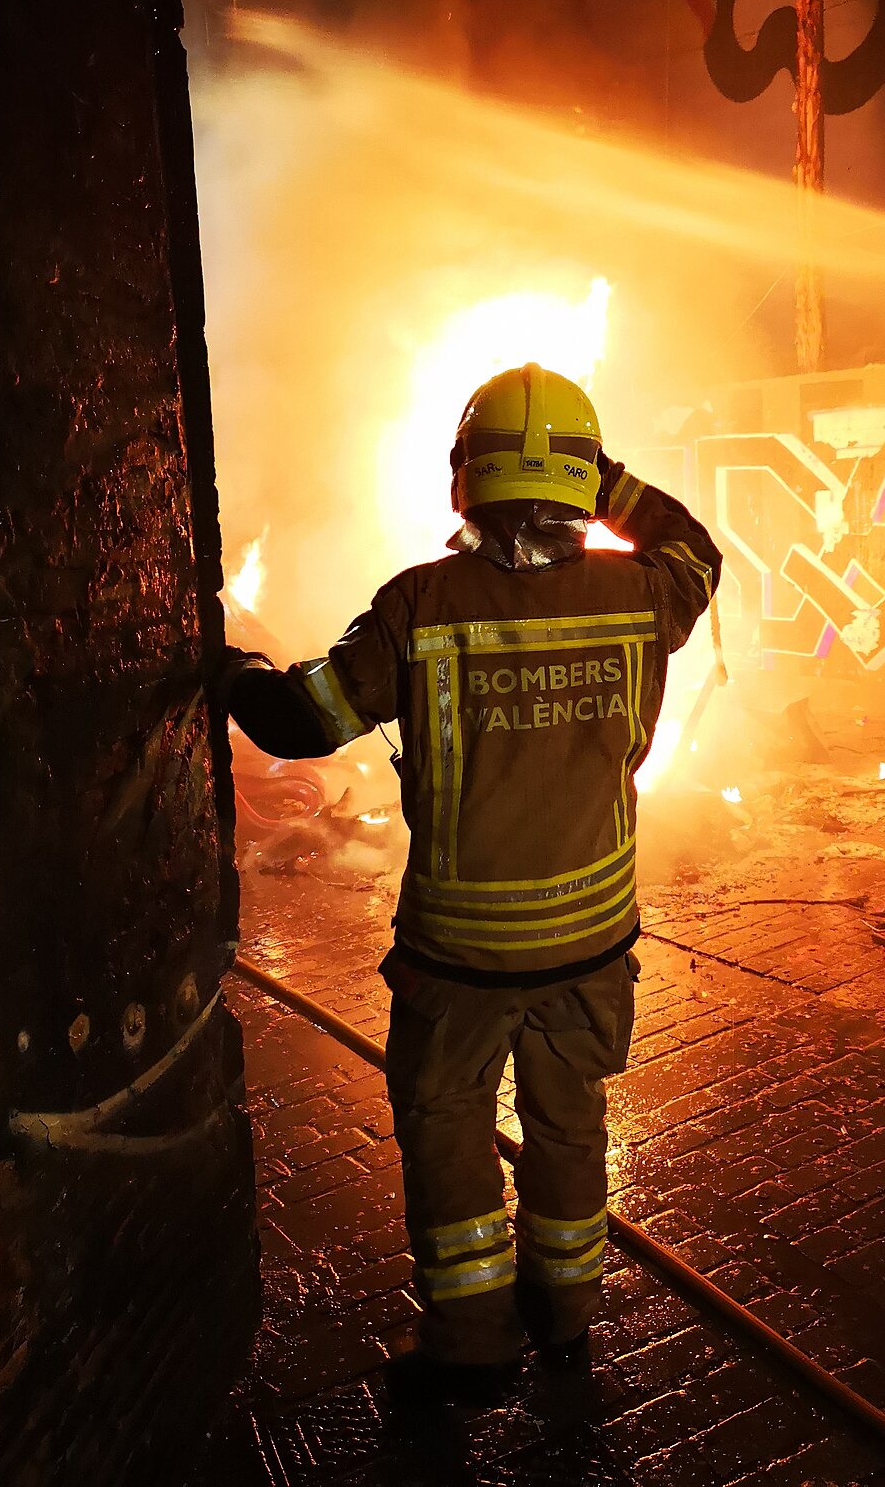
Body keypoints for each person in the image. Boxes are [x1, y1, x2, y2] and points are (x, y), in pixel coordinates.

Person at [222, 362, 722, 1404]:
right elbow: (698, 547)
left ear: (465, 477)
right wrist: (604, 478)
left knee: (448, 1131)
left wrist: (227, 671)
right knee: (571, 1122)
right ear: (587, 481)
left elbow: (297, 723)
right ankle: (567, 1318)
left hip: (460, 958)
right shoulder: (642, 594)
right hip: (592, 942)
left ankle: (472, 1342)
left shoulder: (421, 605)